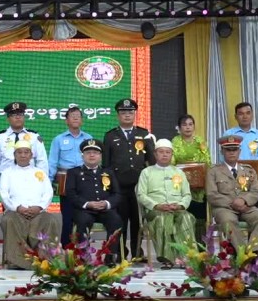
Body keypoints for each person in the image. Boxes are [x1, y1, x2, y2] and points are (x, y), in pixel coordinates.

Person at [102, 98, 155, 261]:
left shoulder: (144, 134)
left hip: (139, 185)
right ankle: (120, 252)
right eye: (123, 112)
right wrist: (109, 187)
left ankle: (137, 252)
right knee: (121, 221)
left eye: (130, 112)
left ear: (134, 114)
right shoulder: (110, 136)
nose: (127, 115)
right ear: (118, 115)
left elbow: (151, 161)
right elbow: (106, 165)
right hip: (119, 186)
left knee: (138, 220)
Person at [0, 140, 62, 269]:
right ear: (14, 155)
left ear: (31, 155)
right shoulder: (7, 173)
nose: (23, 155)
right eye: (19, 152)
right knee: (8, 220)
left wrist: (39, 207)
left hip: (38, 212)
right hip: (16, 212)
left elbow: (48, 192)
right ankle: (17, 261)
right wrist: (17, 208)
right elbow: (4, 194)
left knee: (51, 220)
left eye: (26, 152)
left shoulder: (40, 172)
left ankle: (46, 259)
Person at [136, 139, 196, 268]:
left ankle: (187, 257)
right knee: (163, 219)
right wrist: (157, 206)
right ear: (155, 154)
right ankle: (167, 258)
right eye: (161, 152)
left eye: (168, 152)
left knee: (187, 217)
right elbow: (141, 195)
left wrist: (180, 205)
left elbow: (187, 194)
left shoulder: (179, 172)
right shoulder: (146, 172)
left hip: (177, 209)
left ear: (171, 154)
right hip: (155, 210)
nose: (164, 155)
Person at [206, 135, 258, 255]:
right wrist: (233, 203)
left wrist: (243, 200)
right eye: (228, 150)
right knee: (228, 221)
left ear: (239, 151)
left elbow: (255, 191)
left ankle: (255, 252)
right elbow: (211, 195)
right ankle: (242, 253)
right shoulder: (213, 171)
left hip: (245, 207)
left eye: (234, 149)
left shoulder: (249, 170)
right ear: (222, 151)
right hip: (224, 208)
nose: (232, 152)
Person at [66, 139, 123, 266]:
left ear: (100, 156)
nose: (92, 155)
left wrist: (107, 203)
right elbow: (71, 194)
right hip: (85, 210)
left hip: (105, 209)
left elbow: (117, 194)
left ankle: (110, 257)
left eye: (95, 153)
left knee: (116, 220)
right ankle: (83, 258)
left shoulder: (108, 172)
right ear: (82, 156)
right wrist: (88, 204)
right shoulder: (74, 172)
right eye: (88, 153)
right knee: (82, 222)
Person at [47, 106, 93, 245]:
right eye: (72, 116)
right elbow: (53, 162)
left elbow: (94, 159)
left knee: (84, 214)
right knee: (67, 216)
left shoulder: (88, 138)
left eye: (78, 116)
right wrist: (48, 182)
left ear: (82, 120)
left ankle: (83, 247)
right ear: (66, 120)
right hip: (66, 179)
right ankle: (67, 248)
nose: (76, 118)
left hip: (85, 178)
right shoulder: (58, 139)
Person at [0, 101, 48, 190]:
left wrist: (41, 183)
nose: (17, 117)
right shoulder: (0, 138)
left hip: (30, 182)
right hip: (7, 182)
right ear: (8, 119)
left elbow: (42, 161)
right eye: (14, 114)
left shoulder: (34, 137)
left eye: (20, 114)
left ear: (24, 117)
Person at [223, 102, 258, 210]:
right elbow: (223, 157)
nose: (245, 116)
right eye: (241, 114)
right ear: (235, 117)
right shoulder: (229, 134)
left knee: (254, 213)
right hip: (234, 181)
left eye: (248, 113)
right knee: (235, 212)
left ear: (252, 115)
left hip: (254, 181)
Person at [171, 114, 211, 239]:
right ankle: (184, 243)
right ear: (179, 128)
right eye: (184, 125)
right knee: (184, 215)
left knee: (200, 216)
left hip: (199, 186)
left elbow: (207, 161)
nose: (188, 127)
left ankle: (199, 244)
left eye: (190, 124)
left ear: (194, 126)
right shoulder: (175, 141)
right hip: (180, 184)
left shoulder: (200, 141)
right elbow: (172, 163)